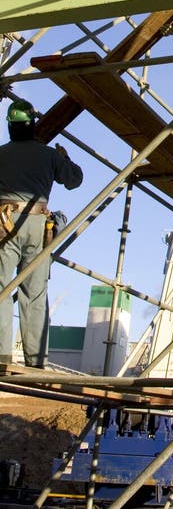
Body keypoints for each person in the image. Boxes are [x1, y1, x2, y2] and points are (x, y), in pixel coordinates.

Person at [0, 99, 83, 368]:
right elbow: (74, 180)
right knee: (34, 293)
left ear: (10, 127)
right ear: (32, 125)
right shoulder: (49, 155)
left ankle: (1, 355)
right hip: (38, 223)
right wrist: (65, 158)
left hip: (4, 222)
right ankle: (35, 360)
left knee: (2, 289)